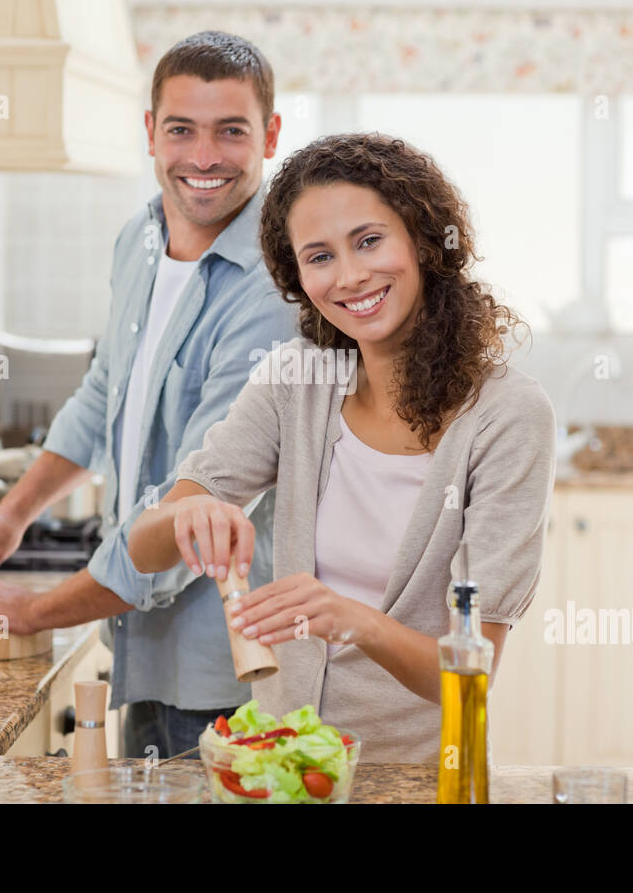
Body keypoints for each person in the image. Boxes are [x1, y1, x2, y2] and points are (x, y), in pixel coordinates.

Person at [0, 31, 298, 759]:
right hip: (142, 640)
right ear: (150, 132)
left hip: (227, 666)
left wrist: (33, 610)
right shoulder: (142, 237)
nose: (204, 157)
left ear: (271, 136)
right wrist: (15, 512)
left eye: (232, 132)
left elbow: (198, 515)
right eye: (182, 129)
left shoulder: (272, 287)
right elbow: (104, 391)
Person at [127, 132, 557, 763]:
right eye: (319, 256)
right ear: (298, 277)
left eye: (369, 240)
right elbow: (144, 547)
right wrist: (189, 513)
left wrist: (352, 618)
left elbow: (473, 672)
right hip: (280, 763)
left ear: (422, 238)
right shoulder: (295, 379)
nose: (351, 276)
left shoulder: (507, 416)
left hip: (416, 776)